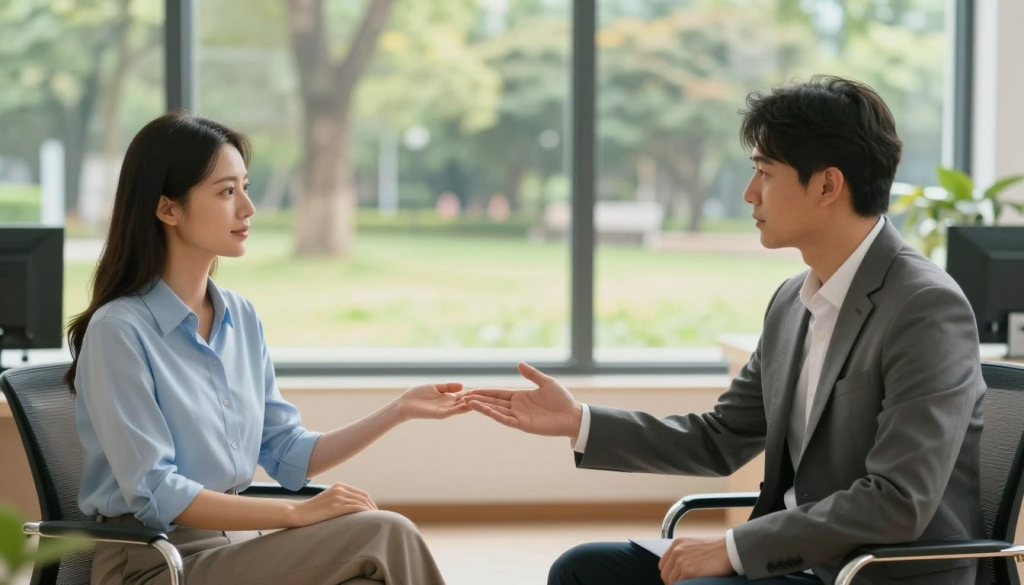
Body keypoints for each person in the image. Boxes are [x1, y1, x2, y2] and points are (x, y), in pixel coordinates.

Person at [463, 76, 985, 585]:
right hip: (795, 561)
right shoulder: (792, 301)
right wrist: (579, 421)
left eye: (765, 172)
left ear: (827, 185)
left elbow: (898, 501)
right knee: (581, 570)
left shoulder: (923, 308)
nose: (748, 193)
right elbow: (720, 440)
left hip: (865, 572)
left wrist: (733, 549)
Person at [67, 112, 465, 585]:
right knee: (385, 533)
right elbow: (156, 490)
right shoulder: (120, 331)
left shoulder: (241, 317)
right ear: (168, 209)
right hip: (154, 563)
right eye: (226, 191)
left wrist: (398, 410)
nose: (248, 208)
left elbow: (288, 452)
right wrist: (297, 515)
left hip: (235, 548)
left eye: (246, 187)